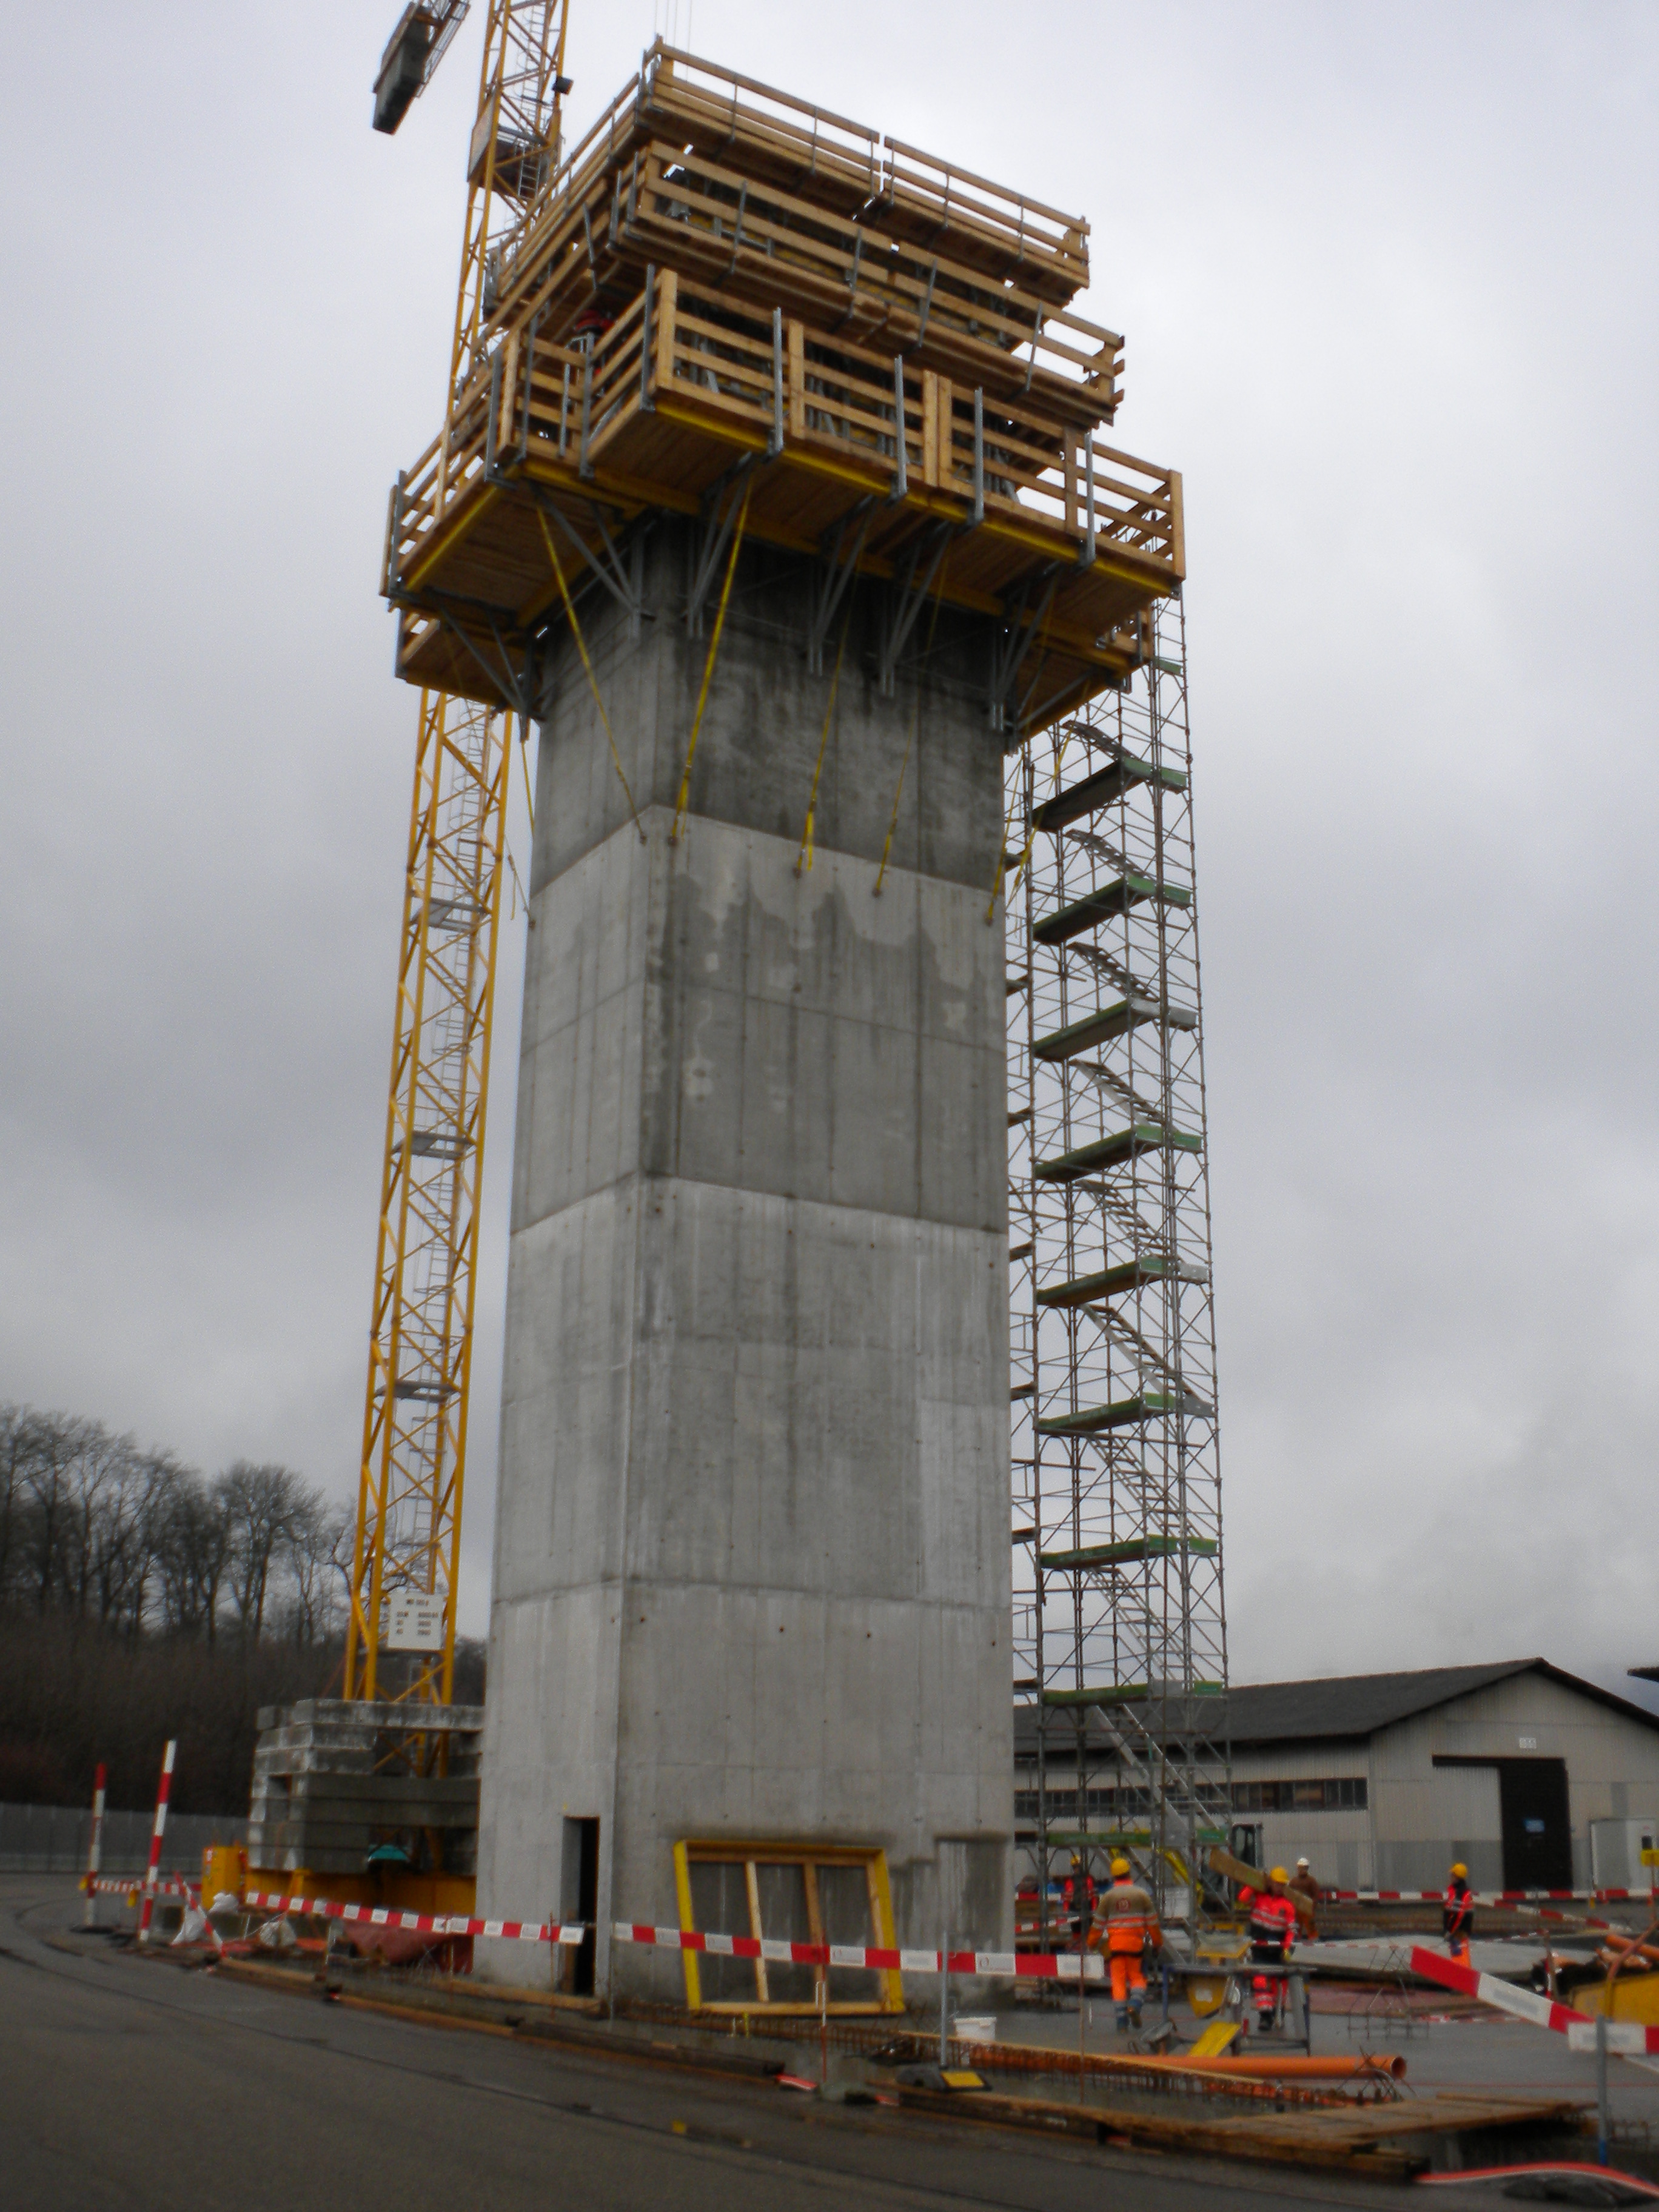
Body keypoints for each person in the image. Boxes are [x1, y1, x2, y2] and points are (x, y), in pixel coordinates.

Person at [1099, 1854, 1162, 2031]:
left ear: (1113, 1876)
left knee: (1118, 1983)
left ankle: (1121, 2023)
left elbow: (1097, 1923)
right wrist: (1157, 1944)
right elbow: (1153, 1923)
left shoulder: (1108, 1897)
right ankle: (1134, 2005)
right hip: (1136, 1947)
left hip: (1115, 1948)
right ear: (1129, 1874)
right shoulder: (1141, 1895)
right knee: (1138, 1979)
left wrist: (1092, 1942)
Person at [1245, 1865, 1298, 2031]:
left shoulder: (1288, 1906)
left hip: (1277, 1952)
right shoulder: (1259, 1898)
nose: (1280, 1887)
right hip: (1260, 1950)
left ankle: (1278, 2011)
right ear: (1271, 1883)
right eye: (1277, 1884)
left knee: (1278, 1985)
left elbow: (1292, 1931)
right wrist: (1253, 1884)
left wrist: (1288, 1949)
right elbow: (1242, 1898)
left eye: (1283, 1885)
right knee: (1260, 1982)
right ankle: (1265, 2016)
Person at [1061, 1852, 1097, 1948]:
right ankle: (1077, 1949)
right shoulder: (1069, 1881)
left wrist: (1094, 1909)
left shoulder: (1089, 1879)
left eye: (1078, 1867)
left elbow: (1093, 1896)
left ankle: (1086, 1949)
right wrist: (1066, 1910)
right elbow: (1067, 1898)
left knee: (1087, 1933)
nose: (1077, 1869)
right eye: (1075, 1867)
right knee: (1076, 1933)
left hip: (1087, 1910)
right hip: (1074, 1911)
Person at [1443, 1862, 1475, 1963]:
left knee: (1460, 1958)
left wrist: (1450, 1932)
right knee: (1457, 1958)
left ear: (1457, 1877)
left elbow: (1458, 1916)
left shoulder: (1461, 1893)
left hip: (1459, 1933)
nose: (1450, 1877)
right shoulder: (1456, 1891)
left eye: (1452, 1875)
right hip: (1457, 1932)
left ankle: (1461, 1976)